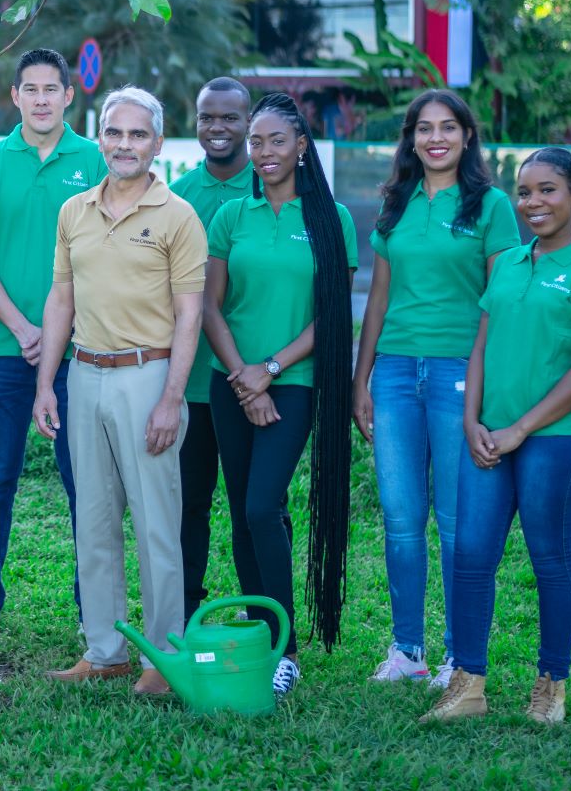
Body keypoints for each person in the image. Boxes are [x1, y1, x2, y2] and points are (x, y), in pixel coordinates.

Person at [424, 149, 571, 726]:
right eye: (525, 192)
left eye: (548, 190)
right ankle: (469, 686)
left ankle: (550, 685)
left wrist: (519, 430)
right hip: (488, 435)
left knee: (549, 558)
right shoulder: (508, 262)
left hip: (557, 439)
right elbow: (481, 344)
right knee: (470, 556)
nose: (534, 202)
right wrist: (470, 421)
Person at [33, 87, 206, 696]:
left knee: (158, 524)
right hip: (84, 374)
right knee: (95, 519)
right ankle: (104, 649)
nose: (124, 144)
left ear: (157, 143)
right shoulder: (74, 210)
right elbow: (61, 300)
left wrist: (171, 398)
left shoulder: (178, 215)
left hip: (147, 376)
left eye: (138, 135)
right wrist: (45, 386)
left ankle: (163, 658)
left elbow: (191, 316)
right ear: (99, 135)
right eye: (114, 132)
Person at [354, 90, 519, 688]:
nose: (436, 138)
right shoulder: (395, 204)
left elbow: (498, 303)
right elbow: (378, 298)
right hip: (395, 371)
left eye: (448, 127)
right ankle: (407, 651)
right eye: (424, 128)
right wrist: (362, 378)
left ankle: (457, 655)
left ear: (467, 136)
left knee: (455, 521)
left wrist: (479, 382)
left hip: (457, 370)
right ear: (411, 138)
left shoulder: (491, 205)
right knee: (401, 520)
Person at [199, 93, 357, 700]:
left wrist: (269, 370)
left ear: (301, 147)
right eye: (257, 142)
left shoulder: (330, 219)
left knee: (266, 506)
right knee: (242, 512)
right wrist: (242, 376)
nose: (264, 153)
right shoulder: (231, 217)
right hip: (230, 381)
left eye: (276, 141)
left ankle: (286, 649)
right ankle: (265, 637)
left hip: (292, 384)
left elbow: (332, 314)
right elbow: (211, 305)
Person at [0, 48, 106, 635]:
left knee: (85, 483)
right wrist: (21, 326)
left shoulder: (96, 160)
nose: (41, 99)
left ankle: (96, 609)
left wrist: (58, 335)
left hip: (84, 351)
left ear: (70, 96)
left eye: (51, 89)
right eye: (29, 89)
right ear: (13, 97)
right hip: (3, 350)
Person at [169, 77, 255, 621]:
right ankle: (179, 620)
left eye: (229, 117)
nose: (217, 128)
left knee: (257, 510)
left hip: (252, 383)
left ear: (249, 122)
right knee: (187, 508)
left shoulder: (270, 188)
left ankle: (268, 624)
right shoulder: (176, 194)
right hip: (188, 379)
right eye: (206, 117)